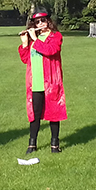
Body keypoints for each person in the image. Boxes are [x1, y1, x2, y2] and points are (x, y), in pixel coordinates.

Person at [18, 8, 67, 154]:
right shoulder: (34, 38)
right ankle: (32, 144)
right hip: (35, 83)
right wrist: (25, 44)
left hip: (51, 82)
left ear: (48, 21)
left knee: (54, 113)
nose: (39, 24)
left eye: (42, 20)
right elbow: (26, 59)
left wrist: (35, 39)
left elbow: (50, 51)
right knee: (35, 114)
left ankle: (54, 144)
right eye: (36, 21)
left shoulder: (55, 36)